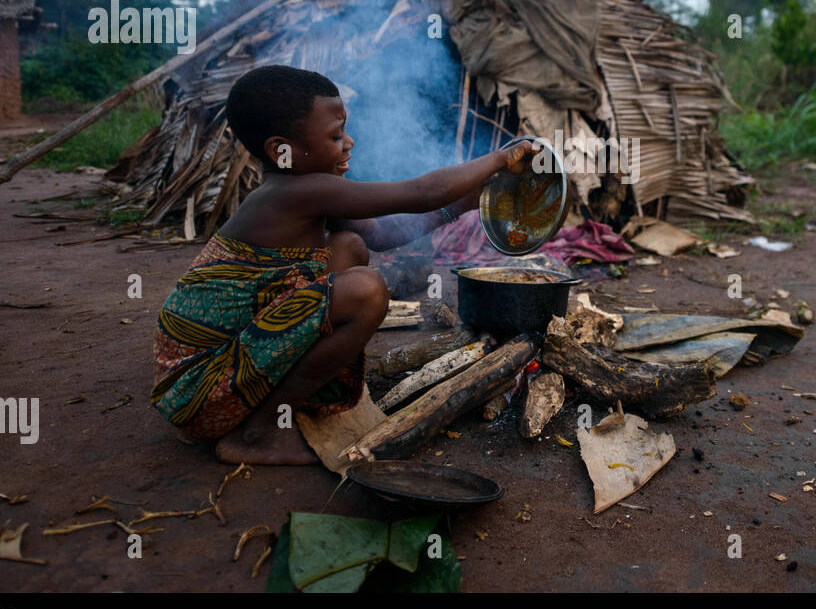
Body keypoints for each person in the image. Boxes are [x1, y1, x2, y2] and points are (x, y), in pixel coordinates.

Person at [150, 64, 533, 464]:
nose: (349, 144)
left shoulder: (305, 193)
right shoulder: (296, 193)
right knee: (365, 291)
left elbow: (384, 235)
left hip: (224, 370)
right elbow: (422, 192)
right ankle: (258, 433)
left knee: (349, 247)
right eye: (335, 136)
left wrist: (463, 204)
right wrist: (502, 158)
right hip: (198, 389)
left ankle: (288, 401)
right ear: (281, 149)